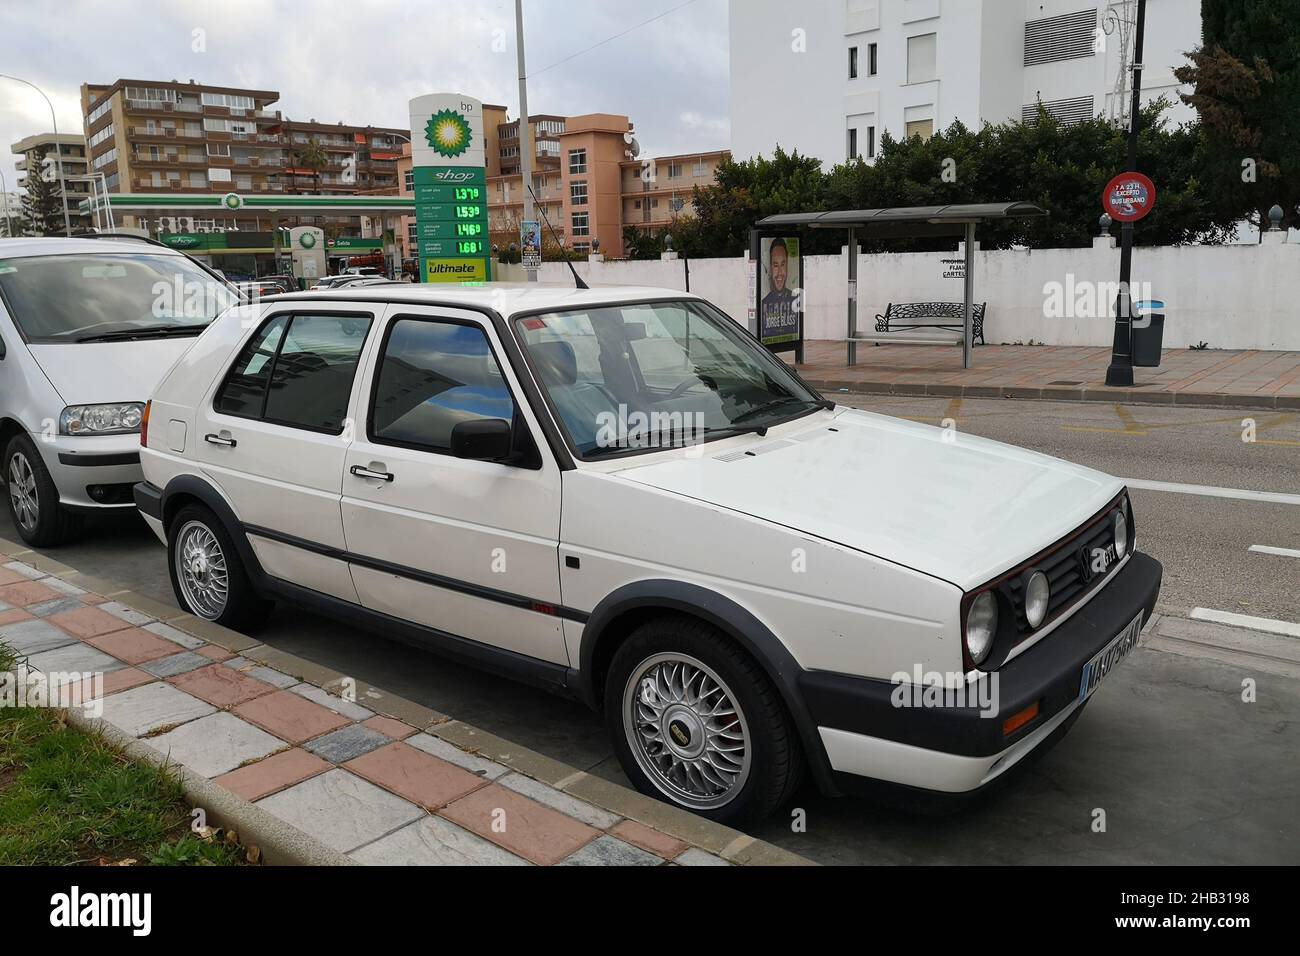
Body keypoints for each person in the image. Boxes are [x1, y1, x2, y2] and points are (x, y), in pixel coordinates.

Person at [761, 238, 797, 335]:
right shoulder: (763, 305)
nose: (780, 273)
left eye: (783, 264)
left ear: (787, 265)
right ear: (770, 267)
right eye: (776, 265)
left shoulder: (796, 301)